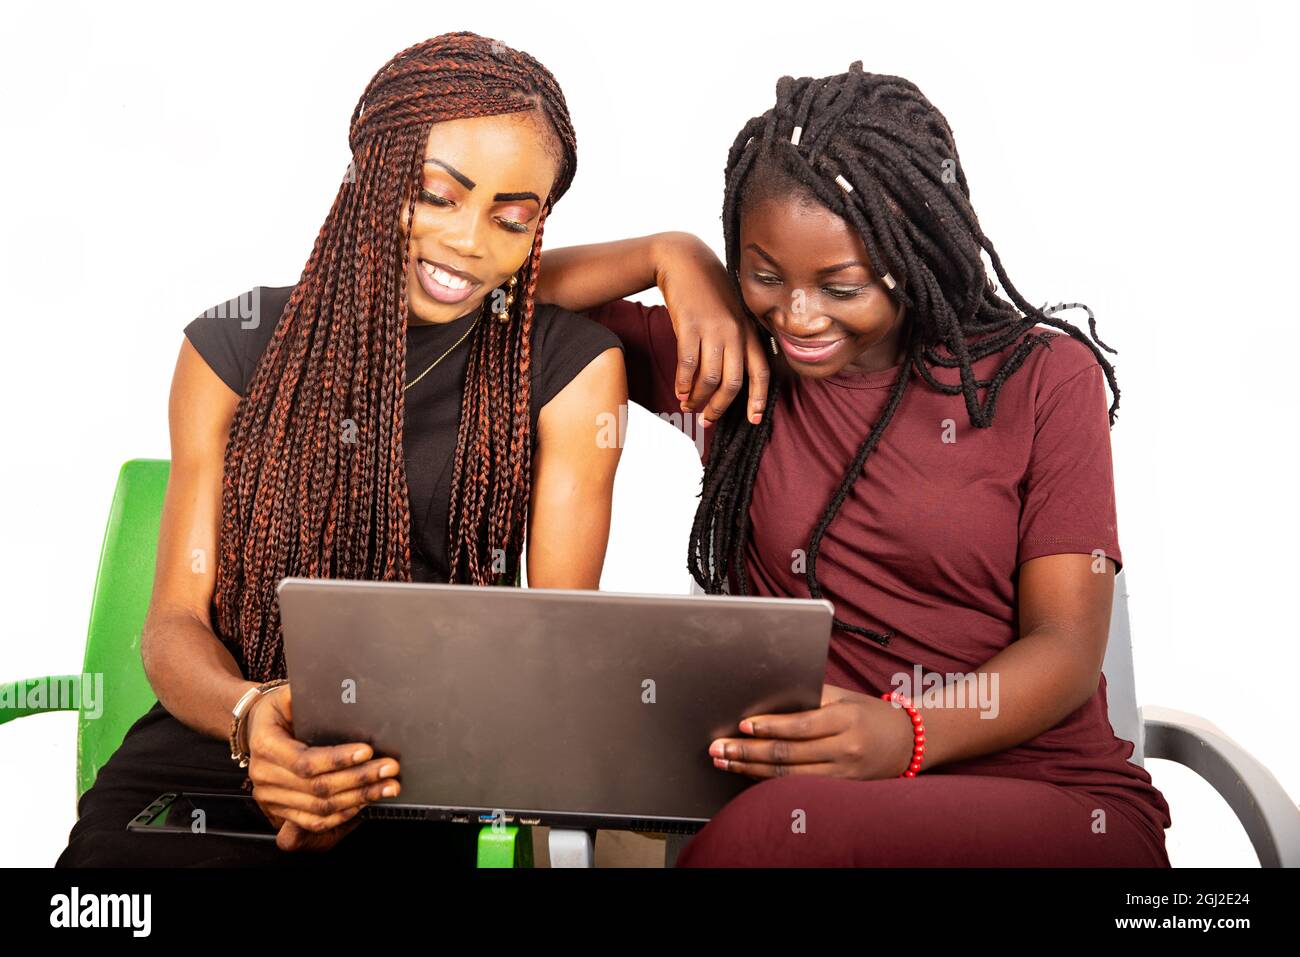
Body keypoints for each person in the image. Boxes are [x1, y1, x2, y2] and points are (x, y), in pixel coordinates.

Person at [536, 62, 1173, 866]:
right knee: (769, 828)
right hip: (821, 806)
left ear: (916, 251)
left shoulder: (1043, 378)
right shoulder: (735, 365)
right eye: (766, 276)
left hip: (1049, 797)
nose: (798, 316)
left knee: (765, 836)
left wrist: (907, 733)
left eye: (841, 286)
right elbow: (505, 299)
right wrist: (670, 255)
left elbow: (1068, 647)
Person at [56, 32, 626, 867]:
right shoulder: (231, 347)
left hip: (425, 759)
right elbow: (174, 624)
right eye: (436, 195)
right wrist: (252, 715)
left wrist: (669, 251)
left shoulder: (567, 370)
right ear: (370, 174)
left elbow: (553, 648)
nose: (471, 241)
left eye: (513, 218)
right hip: (222, 733)